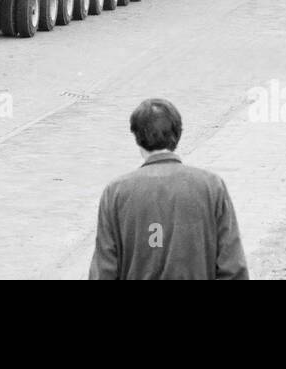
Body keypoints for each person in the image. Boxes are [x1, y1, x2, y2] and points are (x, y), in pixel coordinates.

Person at [89, 98, 248, 280]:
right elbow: (233, 268)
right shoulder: (211, 186)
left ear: (137, 139)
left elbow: (104, 271)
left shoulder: (116, 192)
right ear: (177, 135)